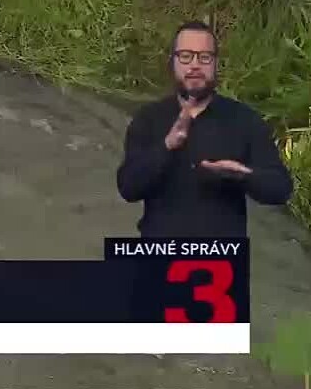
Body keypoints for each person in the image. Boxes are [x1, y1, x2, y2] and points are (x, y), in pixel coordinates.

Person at [116, 20, 294, 237]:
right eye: (186, 56)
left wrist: (244, 176)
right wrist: (167, 146)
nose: (195, 65)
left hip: (221, 261)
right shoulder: (149, 118)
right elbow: (128, 188)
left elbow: (281, 189)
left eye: (204, 57)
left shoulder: (244, 120)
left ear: (216, 63)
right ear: (173, 62)